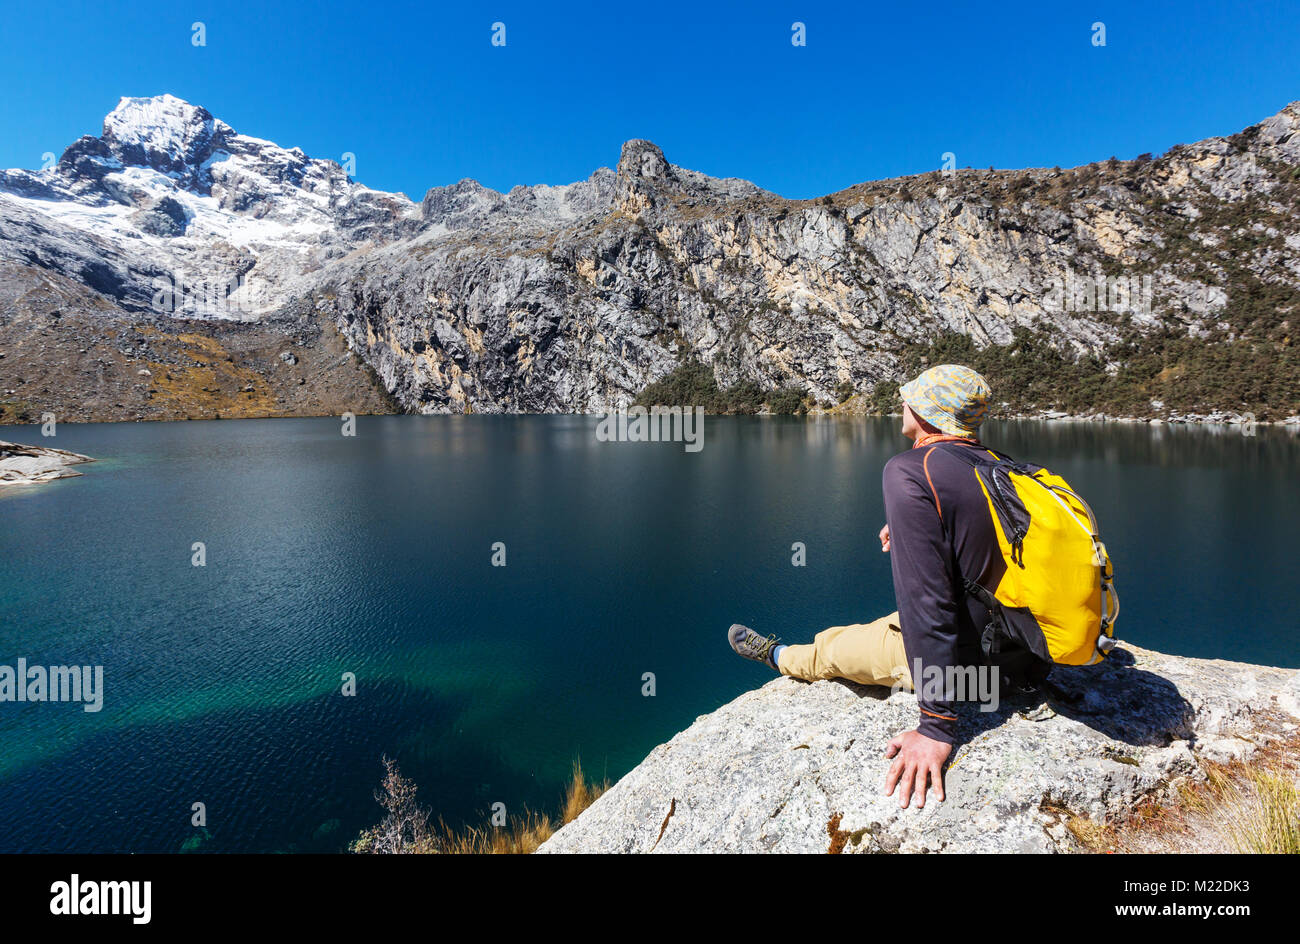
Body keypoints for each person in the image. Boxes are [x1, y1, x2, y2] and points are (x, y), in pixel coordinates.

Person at [728, 364, 1006, 811]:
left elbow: (927, 602)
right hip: (1026, 650)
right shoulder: (997, 466)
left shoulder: (909, 470)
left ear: (930, 412)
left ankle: (777, 655)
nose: (903, 401)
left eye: (911, 396)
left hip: (972, 662)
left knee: (834, 648)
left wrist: (936, 727)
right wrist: (917, 527)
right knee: (875, 626)